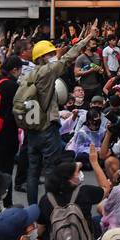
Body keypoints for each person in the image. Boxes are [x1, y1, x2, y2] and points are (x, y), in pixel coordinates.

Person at [19, 25, 96, 206]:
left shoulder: (28, 74)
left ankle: (33, 208)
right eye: (50, 53)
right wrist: (87, 38)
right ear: (44, 57)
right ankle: (51, 209)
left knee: (33, 171)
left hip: (32, 128)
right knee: (52, 170)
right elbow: (70, 56)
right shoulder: (48, 71)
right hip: (47, 128)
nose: (53, 55)